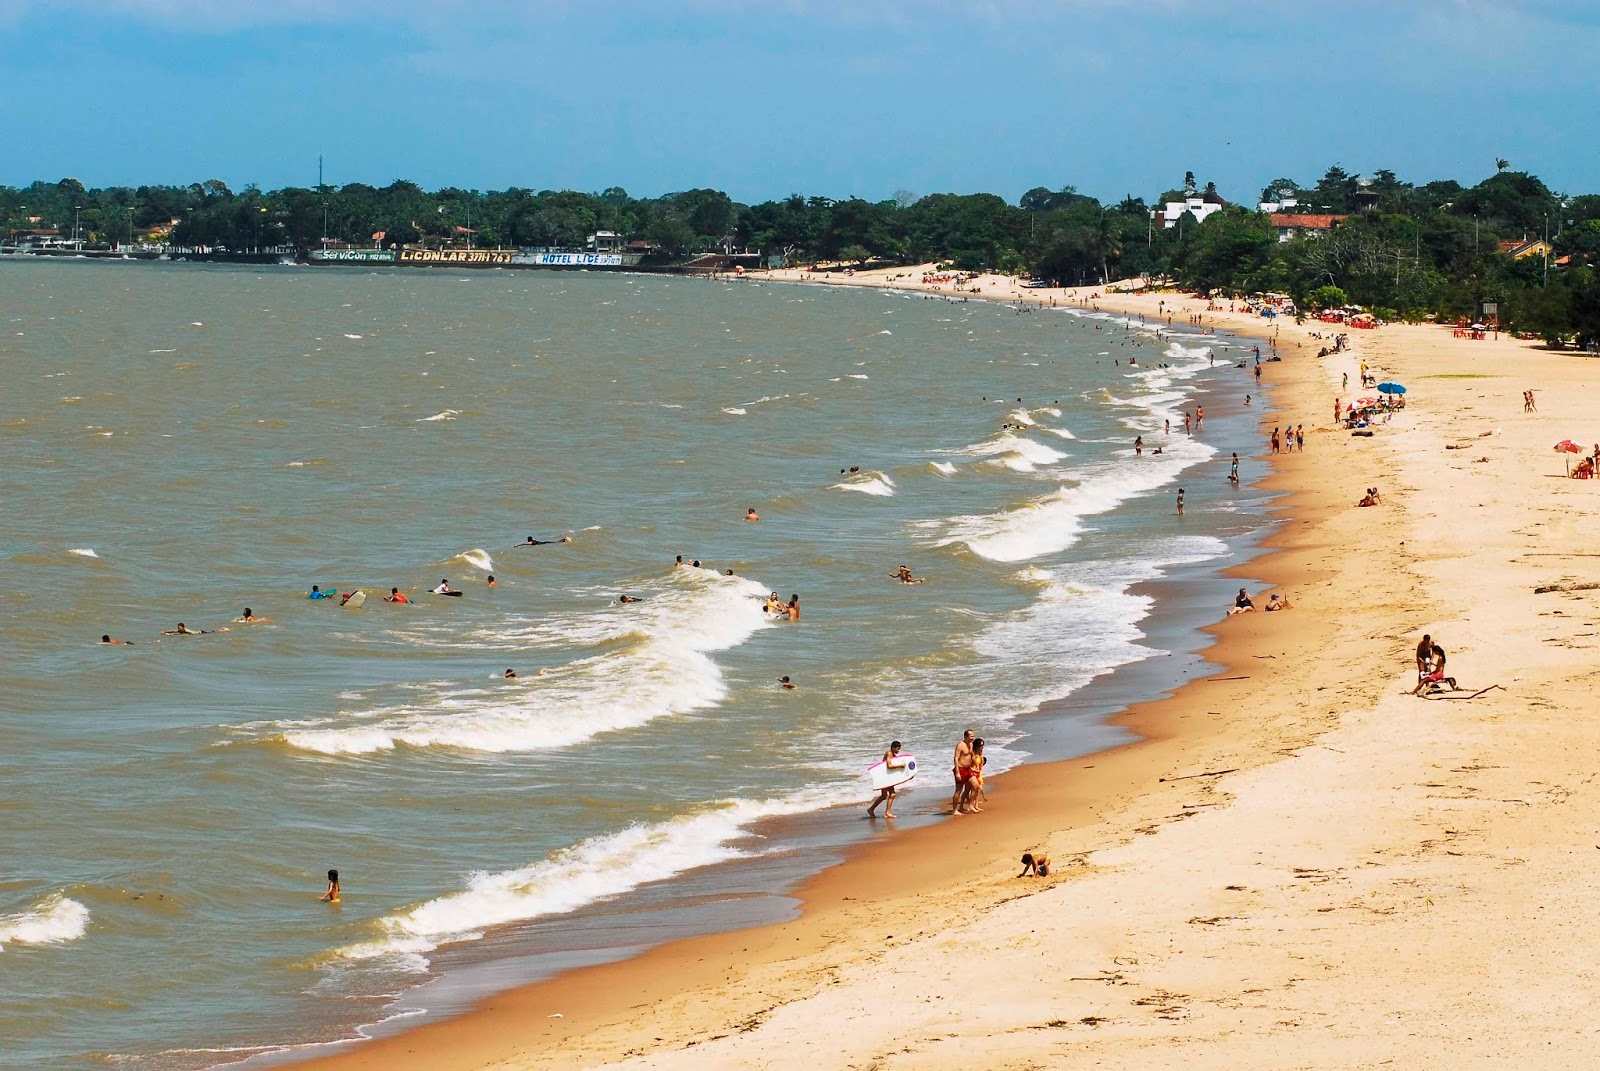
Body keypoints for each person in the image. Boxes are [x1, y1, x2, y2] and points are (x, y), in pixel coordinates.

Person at [867, 741, 907, 819]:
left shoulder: (893, 755)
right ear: (893, 747)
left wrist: (908, 776)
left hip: (887, 777)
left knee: (885, 796)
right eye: (898, 749)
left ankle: (871, 810)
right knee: (891, 794)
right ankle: (886, 813)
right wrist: (900, 765)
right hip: (885, 777)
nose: (898, 751)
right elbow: (889, 766)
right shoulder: (889, 753)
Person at [951, 730, 976, 814]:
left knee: (975, 786)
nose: (973, 738)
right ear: (965, 737)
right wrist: (957, 772)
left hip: (968, 769)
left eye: (973, 736)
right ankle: (954, 810)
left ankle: (969, 805)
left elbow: (972, 755)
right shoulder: (960, 745)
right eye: (971, 736)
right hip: (960, 769)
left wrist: (975, 765)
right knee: (959, 790)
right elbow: (956, 759)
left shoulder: (971, 744)